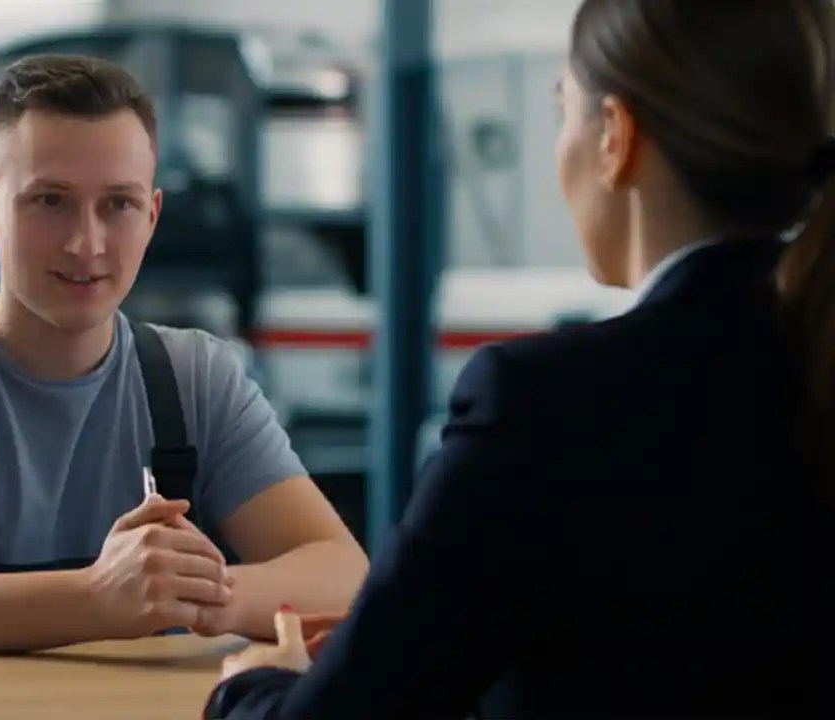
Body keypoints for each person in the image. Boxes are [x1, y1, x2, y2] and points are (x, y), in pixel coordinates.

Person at [206, 1, 835, 717]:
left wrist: (251, 684)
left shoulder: (548, 403)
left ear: (615, 139)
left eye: (564, 109)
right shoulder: (803, 360)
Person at [0, 54, 367, 653]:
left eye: (118, 205)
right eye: (50, 201)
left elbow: (343, 577)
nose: (86, 244)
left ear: (151, 217)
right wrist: (97, 599)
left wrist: (188, 590)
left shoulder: (197, 379)